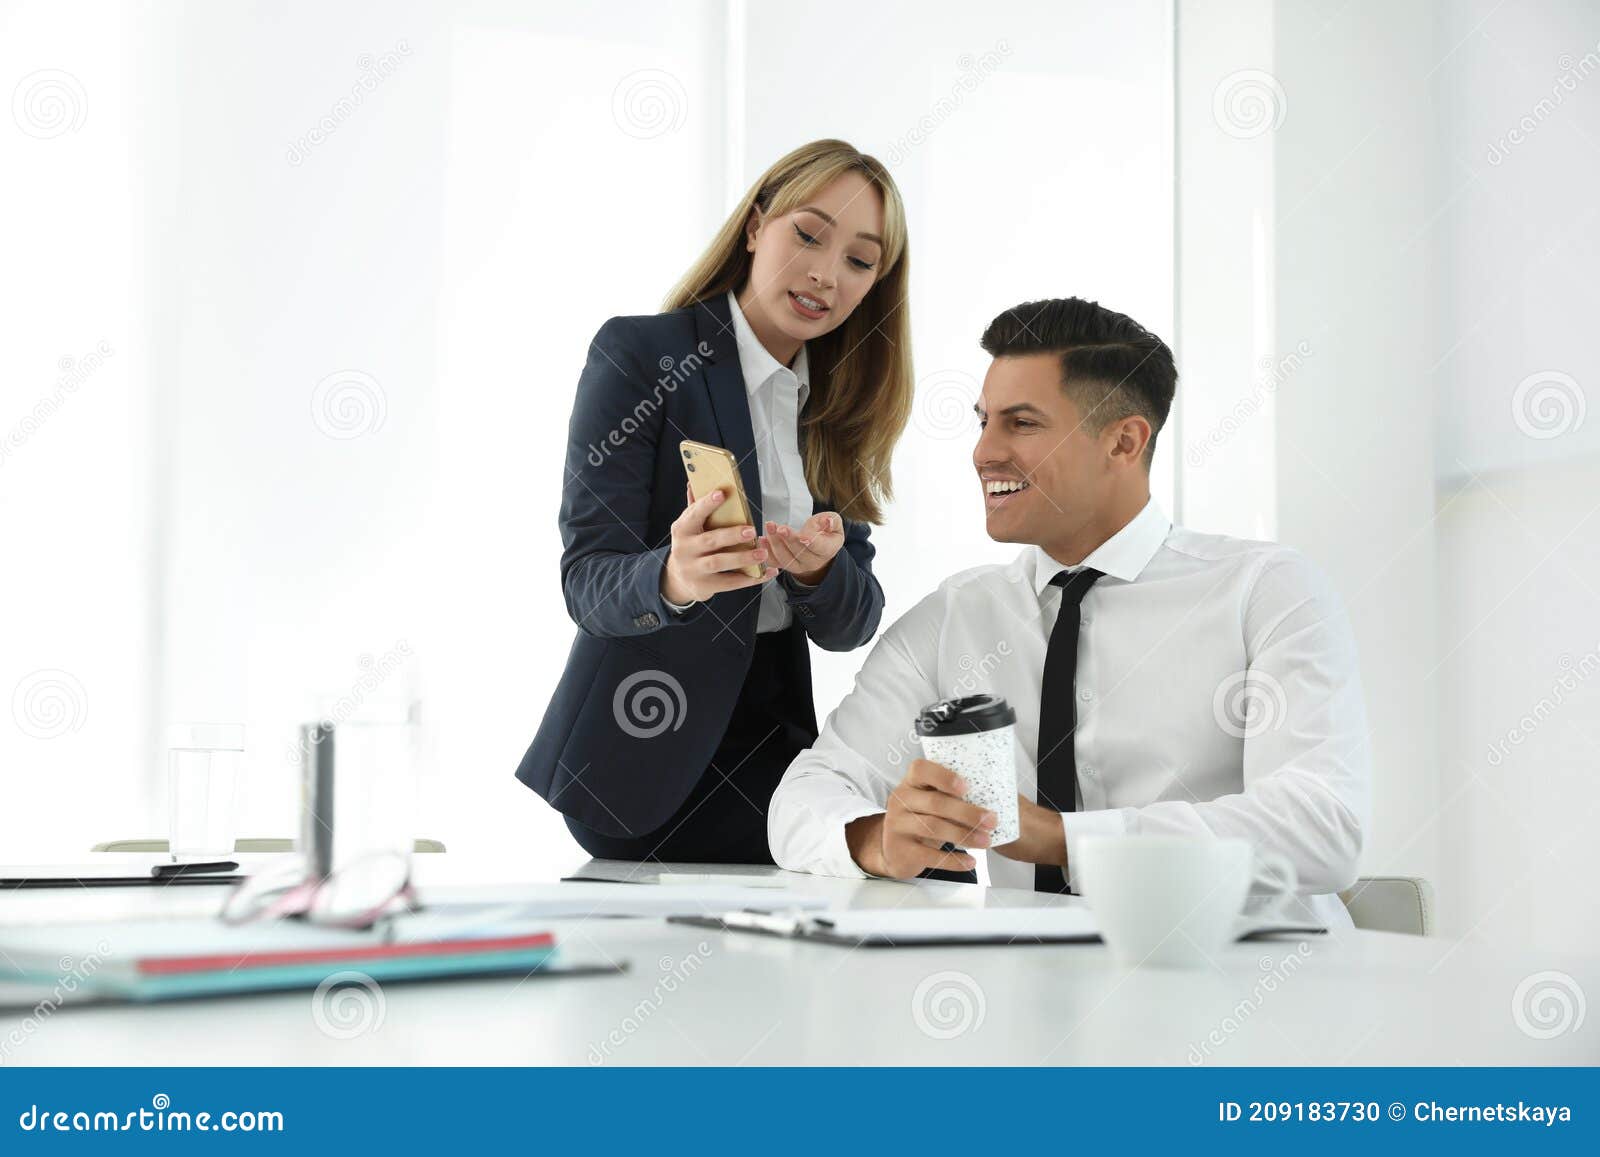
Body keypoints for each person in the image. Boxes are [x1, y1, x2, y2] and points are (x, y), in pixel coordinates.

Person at [767, 297, 1370, 928]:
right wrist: (876, 839)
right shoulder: (958, 615)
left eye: (1021, 423)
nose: (984, 452)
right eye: (983, 421)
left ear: (1123, 441)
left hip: (1255, 986)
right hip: (1039, 997)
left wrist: (1064, 839)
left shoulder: (1265, 590)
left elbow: (1324, 825)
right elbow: (803, 799)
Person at [515, 140, 915, 864]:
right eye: (808, 233)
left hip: (779, 741)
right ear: (757, 226)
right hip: (641, 750)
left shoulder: (839, 400)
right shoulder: (643, 356)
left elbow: (855, 621)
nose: (827, 274)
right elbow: (587, 581)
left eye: (860, 260)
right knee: (884, 857)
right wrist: (674, 578)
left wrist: (821, 573)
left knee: (916, 854)